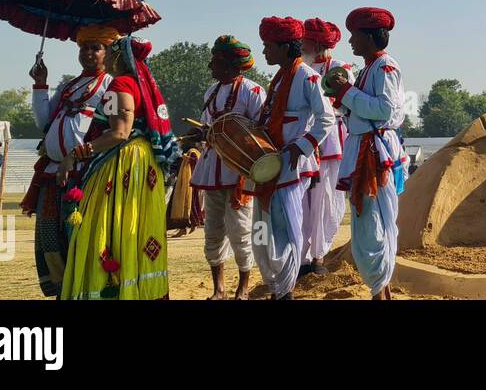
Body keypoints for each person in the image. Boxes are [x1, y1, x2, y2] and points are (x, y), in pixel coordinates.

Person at [62, 35, 180, 300]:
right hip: (143, 162)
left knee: (106, 226)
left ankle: (110, 288)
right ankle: (137, 288)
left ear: (117, 57)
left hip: (122, 163)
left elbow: (119, 132)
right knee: (135, 227)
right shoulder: (142, 84)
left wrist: (78, 154)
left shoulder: (120, 84)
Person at [21, 23, 116, 298]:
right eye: (84, 48)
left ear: (107, 52)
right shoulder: (68, 85)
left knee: (80, 237)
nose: (88, 53)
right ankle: (64, 292)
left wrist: (79, 155)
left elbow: (114, 131)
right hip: (52, 173)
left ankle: (86, 291)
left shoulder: (111, 86)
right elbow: (44, 121)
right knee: (51, 238)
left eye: (95, 48)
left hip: (87, 174)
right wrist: (40, 84)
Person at [249, 16, 332, 300]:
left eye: (268, 46)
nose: (264, 53)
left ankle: (285, 291)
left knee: (287, 228)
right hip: (272, 164)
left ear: (285, 47)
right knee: (267, 229)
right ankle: (277, 287)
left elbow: (326, 118)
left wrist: (302, 146)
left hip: (292, 166)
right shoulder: (280, 77)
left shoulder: (307, 76)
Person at [329, 7, 407, 300]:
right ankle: (380, 290)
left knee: (374, 221)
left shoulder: (386, 67)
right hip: (362, 146)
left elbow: (384, 111)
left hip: (374, 153)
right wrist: (344, 98)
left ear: (370, 36)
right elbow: (363, 111)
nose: (351, 42)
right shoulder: (368, 69)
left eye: (355, 36)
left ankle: (380, 292)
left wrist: (347, 92)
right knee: (367, 221)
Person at [191, 35, 265, 300]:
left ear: (231, 65)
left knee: (241, 232)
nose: (210, 67)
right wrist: (196, 135)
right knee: (212, 232)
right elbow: (204, 127)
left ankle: (243, 288)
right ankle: (218, 289)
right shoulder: (210, 92)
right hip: (212, 170)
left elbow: (261, 132)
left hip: (240, 174)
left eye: (215, 62)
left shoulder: (253, 91)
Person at [301, 17, 352, 277]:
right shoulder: (298, 67)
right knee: (301, 199)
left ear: (316, 42)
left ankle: (318, 255)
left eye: (305, 39)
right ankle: (300, 257)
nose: (301, 43)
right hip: (301, 141)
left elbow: (348, 104)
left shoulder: (340, 68)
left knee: (324, 199)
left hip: (330, 140)